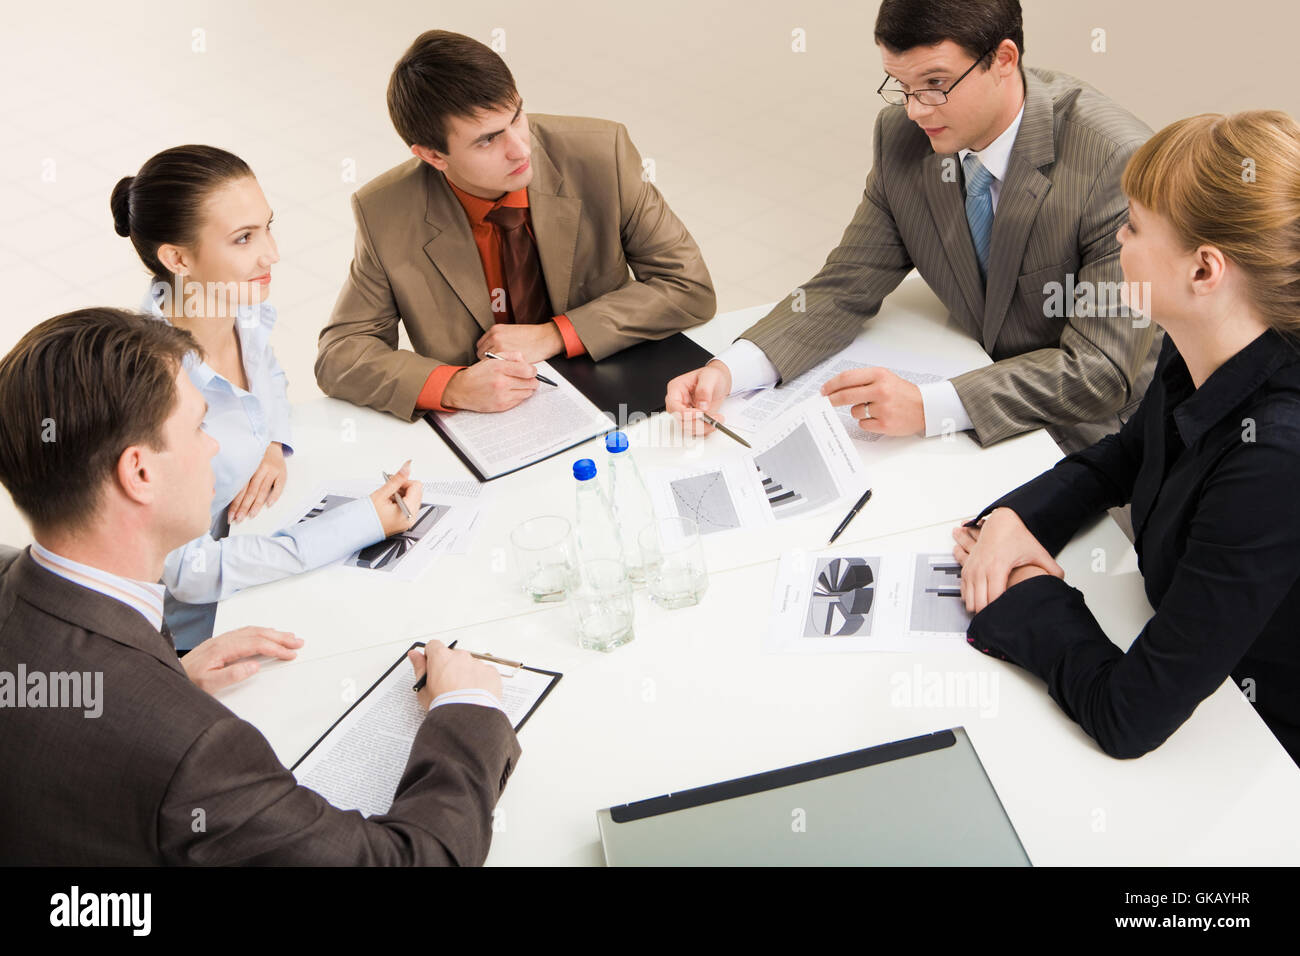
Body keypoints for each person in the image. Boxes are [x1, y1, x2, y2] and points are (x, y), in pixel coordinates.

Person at [0, 308, 518, 864]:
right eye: (199, 428)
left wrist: (167, 677)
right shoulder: (194, 751)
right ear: (140, 473)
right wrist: (467, 707)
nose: (214, 448)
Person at [952, 111, 1300, 765]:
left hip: (1261, 750)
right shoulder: (1213, 339)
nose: (1118, 236)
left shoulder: (1274, 462)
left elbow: (1128, 716)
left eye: (1135, 226)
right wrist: (1016, 519)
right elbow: (1129, 453)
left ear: (1205, 271)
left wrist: (1028, 590)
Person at [666, 0, 1160, 457]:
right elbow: (845, 286)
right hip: (970, 407)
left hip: (1098, 438)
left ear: (1004, 59)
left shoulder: (1116, 161)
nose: (915, 109)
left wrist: (928, 408)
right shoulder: (902, 137)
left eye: (936, 84)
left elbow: (1100, 370)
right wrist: (730, 371)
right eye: (900, 86)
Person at [315, 29, 716, 419]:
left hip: (615, 394)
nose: (521, 148)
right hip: (490, 422)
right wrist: (452, 385)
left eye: (517, 115)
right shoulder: (384, 211)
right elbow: (341, 354)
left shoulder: (601, 153)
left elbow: (688, 287)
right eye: (487, 140)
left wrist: (556, 333)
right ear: (434, 156)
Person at [112, 145, 416, 650]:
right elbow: (188, 572)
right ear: (178, 258)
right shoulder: (147, 386)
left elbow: (269, 376)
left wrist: (272, 443)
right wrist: (359, 522)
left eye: (268, 226)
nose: (271, 253)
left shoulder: (235, 303)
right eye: (244, 238)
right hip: (198, 634)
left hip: (259, 545)